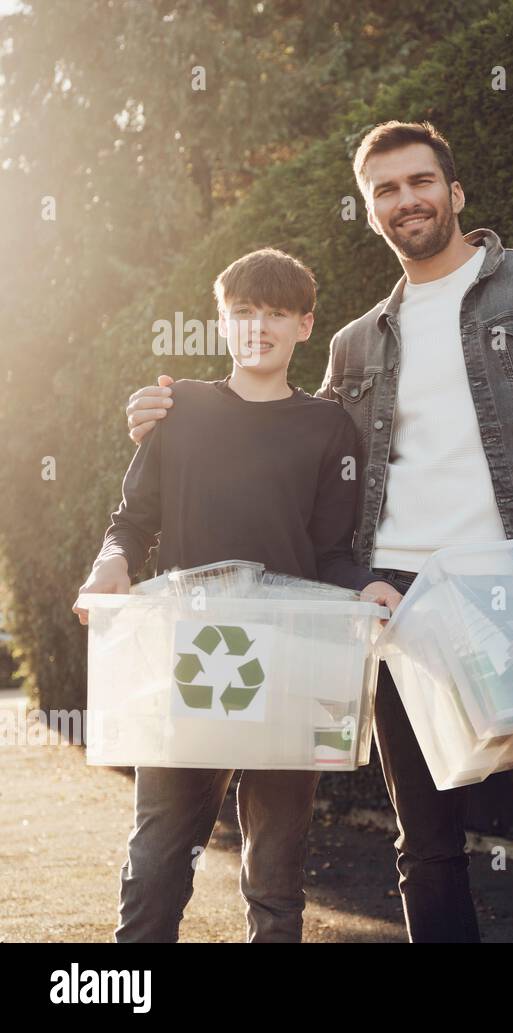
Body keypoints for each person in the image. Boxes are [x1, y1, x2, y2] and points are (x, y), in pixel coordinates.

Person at [123, 121, 513, 942]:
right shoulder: (354, 340)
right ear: (370, 212)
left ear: (455, 191)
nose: (406, 200)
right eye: (386, 191)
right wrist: (172, 413)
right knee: (428, 849)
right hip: (403, 602)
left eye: (420, 182)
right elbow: (287, 442)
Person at [77, 247, 403, 942]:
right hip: (188, 660)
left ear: (305, 325)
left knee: (277, 870)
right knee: (160, 854)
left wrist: (366, 585)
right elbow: (133, 520)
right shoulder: (180, 407)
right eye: (244, 313)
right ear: (223, 323)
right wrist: (111, 563)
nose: (260, 328)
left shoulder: (328, 428)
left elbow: (330, 555)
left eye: (277, 314)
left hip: (290, 661)